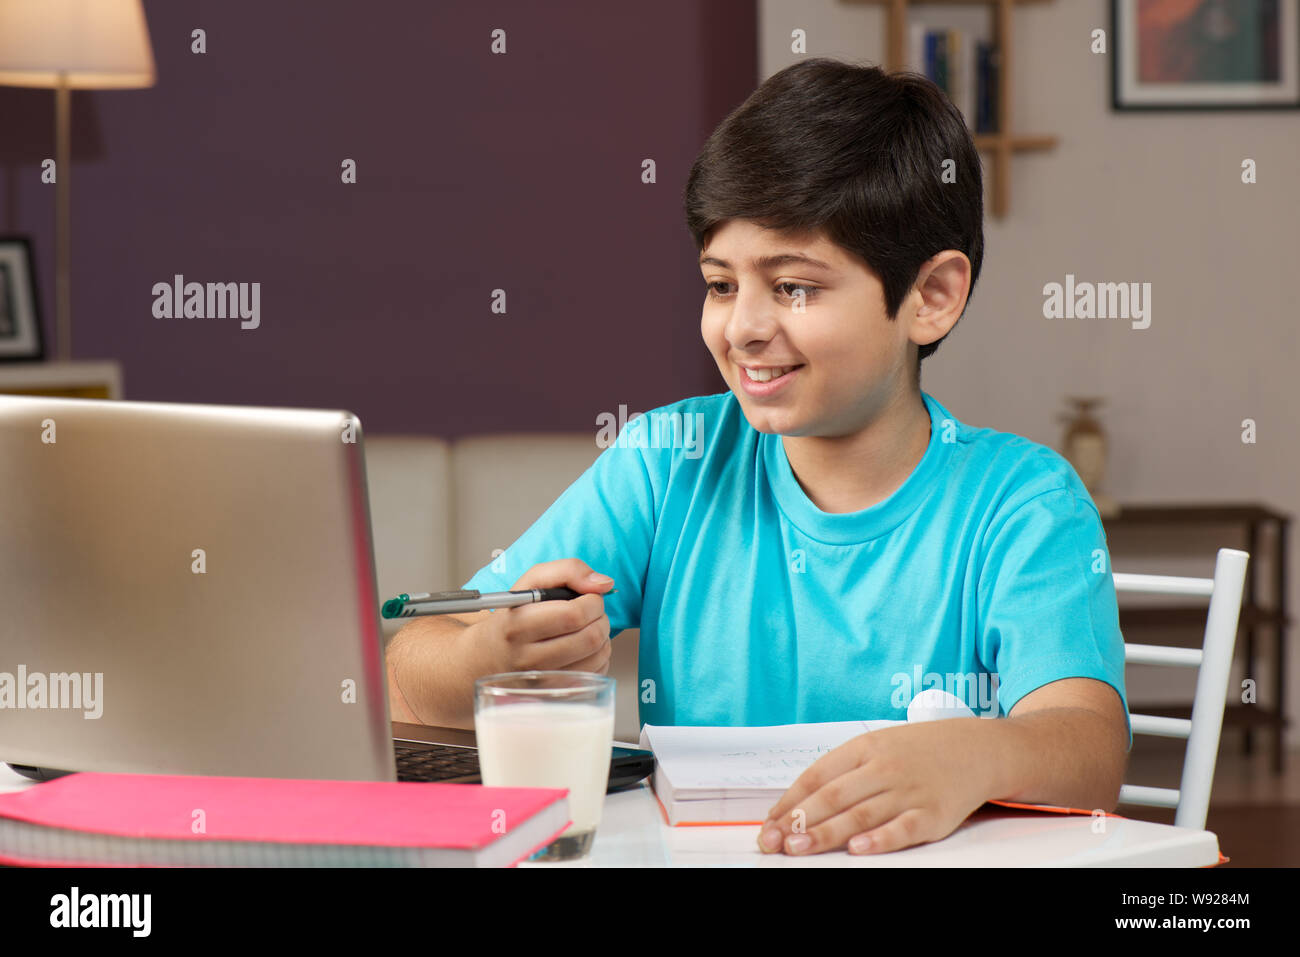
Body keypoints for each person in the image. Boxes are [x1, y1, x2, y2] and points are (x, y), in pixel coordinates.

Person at [386, 58, 1131, 857]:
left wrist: (975, 756)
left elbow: (1089, 748)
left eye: (793, 288)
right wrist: (486, 655)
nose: (742, 327)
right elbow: (404, 676)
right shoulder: (668, 462)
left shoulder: (1023, 503)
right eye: (720, 284)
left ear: (931, 296)